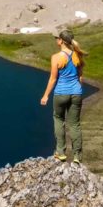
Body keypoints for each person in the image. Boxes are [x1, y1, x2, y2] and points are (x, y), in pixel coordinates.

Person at [39, 29, 86, 163]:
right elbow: (80, 76)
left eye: (57, 38)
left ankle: (61, 152)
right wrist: (77, 89)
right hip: (76, 93)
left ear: (61, 41)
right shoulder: (77, 55)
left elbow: (53, 79)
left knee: (59, 119)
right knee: (75, 124)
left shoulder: (56, 57)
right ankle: (77, 156)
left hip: (61, 93)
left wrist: (45, 96)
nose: (56, 40)